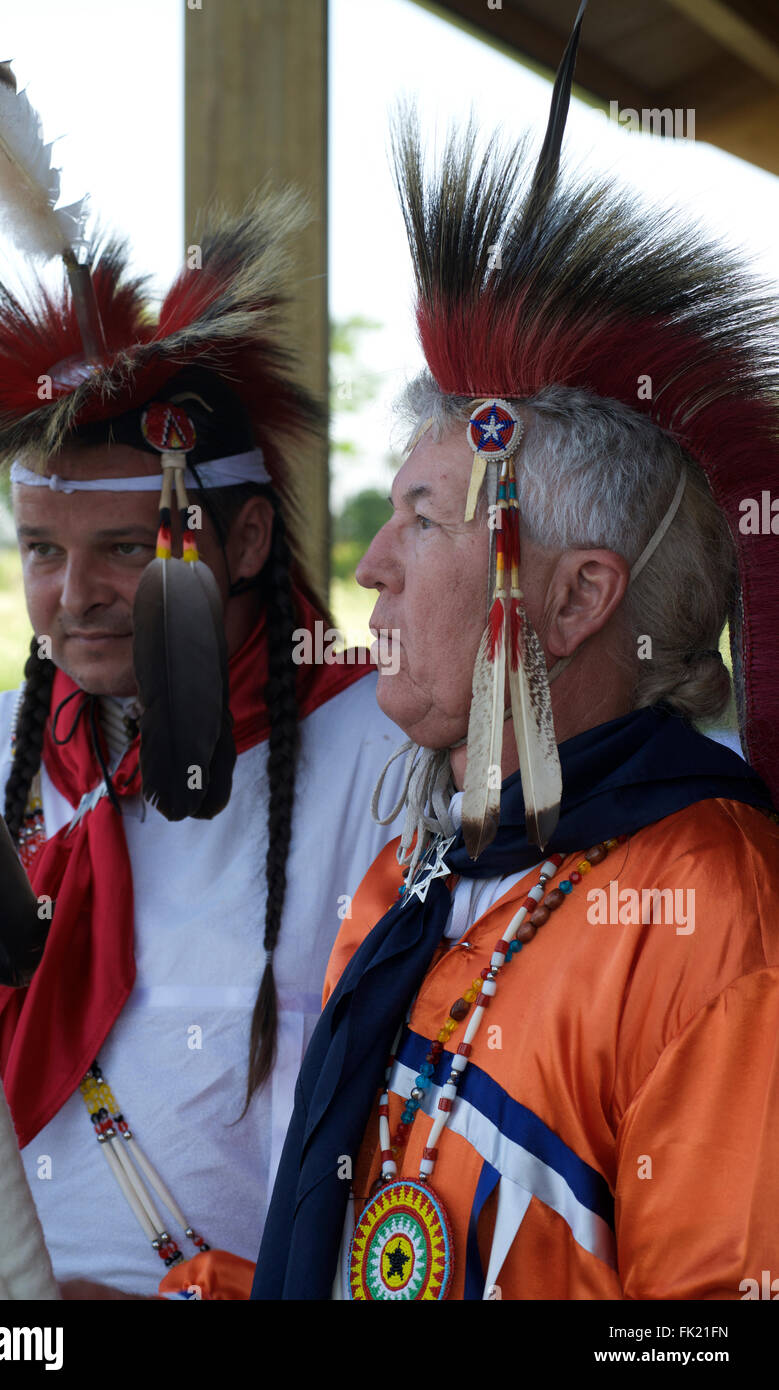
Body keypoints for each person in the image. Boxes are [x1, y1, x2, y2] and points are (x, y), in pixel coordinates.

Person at [252, 10, 779, 1300]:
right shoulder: (422, 867)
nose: (368, 569)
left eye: (423, 519)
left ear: (578, 595)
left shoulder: (717, 913)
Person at [0, 5, 401, 1299]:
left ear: (243, 542)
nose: (72, 597)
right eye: (38, 550)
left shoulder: (386, 759)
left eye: (128, 550)